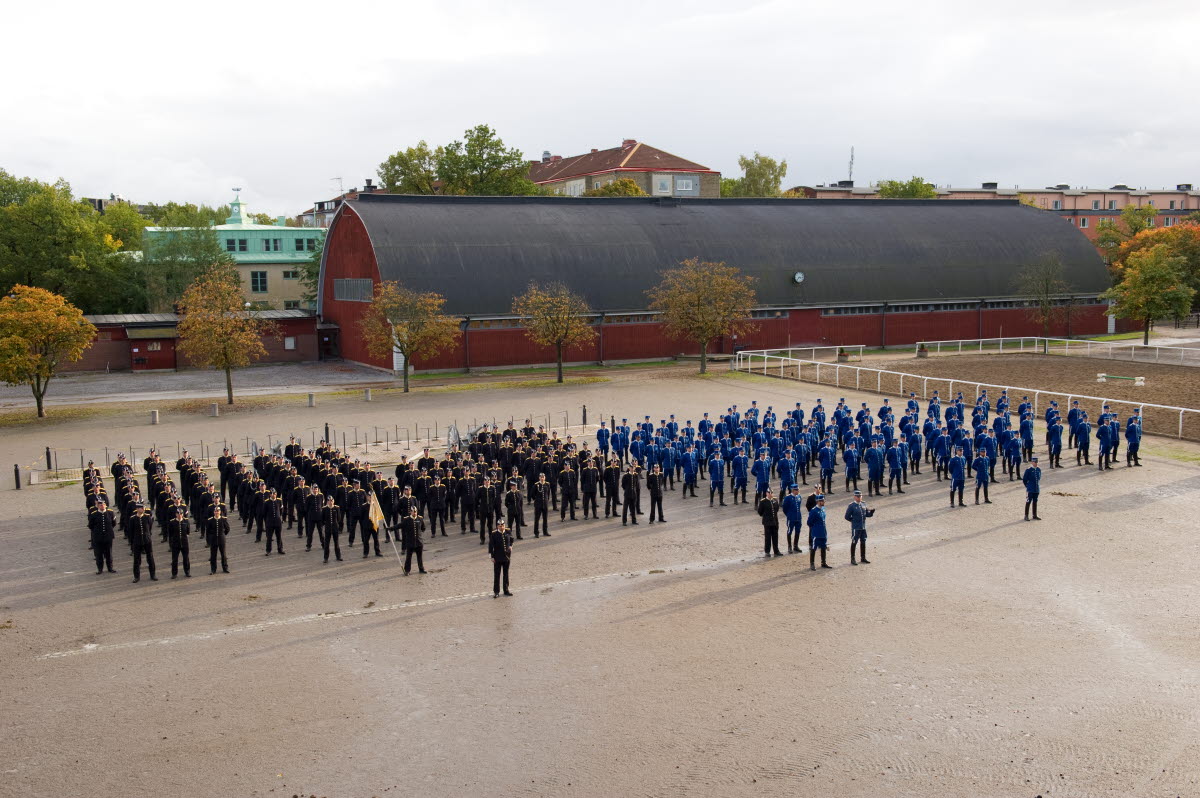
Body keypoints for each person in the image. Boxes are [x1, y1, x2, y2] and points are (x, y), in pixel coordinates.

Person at [127, 503, 157, 583]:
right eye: (141, 508)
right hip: (137, 541)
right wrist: (132, 542)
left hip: (147, 540)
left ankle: (153, 575)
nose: (143, 509)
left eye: (143, 508)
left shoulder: (147, 517)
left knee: (150, 558)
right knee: (137, 560)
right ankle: (136, 576)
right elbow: (131, 531)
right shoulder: (133, 519)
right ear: (137, 509)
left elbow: (149, 527)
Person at [844, 490, 874, 565]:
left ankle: (863, 557)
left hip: (863, 527)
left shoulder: (863, 504)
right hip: (856, 528)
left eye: (860, 496)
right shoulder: (851, 506)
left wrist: (871, 513)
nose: (859, 498)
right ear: (854, 497)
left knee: (863, 542)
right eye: (858, 496)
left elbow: (866, 514)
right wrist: (853, 521)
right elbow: (847, 517)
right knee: (854, 542)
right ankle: (853, 558)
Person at [88, 499, 118, 574]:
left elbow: (113, 523)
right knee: (99, 554)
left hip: (108, 537)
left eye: (103, 504)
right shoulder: (94, 514)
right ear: (98, 505)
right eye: (100, 505)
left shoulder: (110, 513)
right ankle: (100, 569)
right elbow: (91, 525)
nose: (102, 506)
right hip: (98, 537)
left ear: (105, 505)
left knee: (109, 553)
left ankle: (110, 568)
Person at [488, 520, 514, 598]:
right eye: (500, 526)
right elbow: (490, 546)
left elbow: (512, 539)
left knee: (506, 574)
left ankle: (506, 590)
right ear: (497, 526)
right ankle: (496, 591)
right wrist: (491, 557)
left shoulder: (508, 531)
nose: (502, 527)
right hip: (497, 557)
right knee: (497, 575)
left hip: (506, 557)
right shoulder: (494, 534)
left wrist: (511, 546)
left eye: (503, 525)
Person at [806, 495, 831, 571]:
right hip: (816, 533)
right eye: (822, 501)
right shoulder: (813, 511)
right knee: (814, 548)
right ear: (818, 502)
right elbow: (809, 522)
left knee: (823, 547)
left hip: (823, 531)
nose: (823, 502)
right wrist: (815, 528)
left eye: (823, 500)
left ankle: (823, 562)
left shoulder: (823, 509)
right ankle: (812, 563)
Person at [166, 506, 192, 578]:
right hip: (175, 543)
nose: (180, 515)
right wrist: (171, 544)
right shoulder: (172, 522)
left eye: (181, 513)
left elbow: (188, 531)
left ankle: (187, 571)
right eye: (178, 513)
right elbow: (170, 534)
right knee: (174, 559)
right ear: (176, 514)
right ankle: (174, 573)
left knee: (186, 558)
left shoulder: (186, 521)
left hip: (184, 542)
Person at [401, 506, 427, 575]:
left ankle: (421, 569)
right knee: (408, 557)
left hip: (419, 542)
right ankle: (407, 570)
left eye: (415, 511)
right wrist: (390, 528)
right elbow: (400, 525)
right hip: (410, 542)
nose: (415, 513)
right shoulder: (407, 520)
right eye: (413, 511)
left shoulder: (420, 519)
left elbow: (423, 528)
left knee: (420, 557)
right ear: (410, 512)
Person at [757, 488, 783, 557]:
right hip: (767, 522)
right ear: (766, 493)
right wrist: (766, 517)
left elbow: (776, 509)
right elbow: (760, 512)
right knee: (768, 538)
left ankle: (776, 551)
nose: (770, 494)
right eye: (769, 493)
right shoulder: (763, 501)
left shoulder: (775, 500)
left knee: (775, 537)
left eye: (771, 493)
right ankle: (767, 551)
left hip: (775, 521)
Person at [205, 506, 230, 574]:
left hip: (221, 539)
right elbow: (208, 531)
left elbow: (227, 528)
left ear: (220, 512)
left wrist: (223, 534)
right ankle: (213, 569)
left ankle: (225, 568)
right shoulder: (210, 520)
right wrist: (209, 540)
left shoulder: (223, 519)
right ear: (214, 512)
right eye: (215, 511)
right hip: (213, 539)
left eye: (218, 511)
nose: (217, 512)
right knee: (213, 555)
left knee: (223, 554)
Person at [319, 495, 343, 562]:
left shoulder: (337, 508)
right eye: (329, 501)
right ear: (327, 502)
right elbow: (322, 519)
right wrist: (325, 525)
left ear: (333, 501)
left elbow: (339, 518)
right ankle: (326, 558)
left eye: (332, 500)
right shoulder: (324, 509)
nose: (331, 502)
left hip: (335, 528)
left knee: (336, 543)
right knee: (327, 544)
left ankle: (338, 556)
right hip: (328, 528)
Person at [782, 484, 804, 553]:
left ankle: (795, 545)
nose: (798, 491)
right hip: (791, 518)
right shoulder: (788, 498)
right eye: (796, 490)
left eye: (798, 489)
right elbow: (784, 508)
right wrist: (788, 515)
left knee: (798, 531)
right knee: (789, 531)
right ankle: (789, 547)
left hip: (798, 517)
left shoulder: (799, 497)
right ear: (793, 490)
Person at [263, 488, 285, 555]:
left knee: (279, 536)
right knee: (269, 537)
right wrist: (267, 521)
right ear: (270, 494)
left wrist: (279, 517)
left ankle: (280, 549)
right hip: (270, 522)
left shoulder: (279, 501)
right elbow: (264, 513)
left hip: (278, 521)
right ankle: (268, 550)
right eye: (272, 494)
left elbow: (281, 510)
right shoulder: (266, 502)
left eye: (274, 494)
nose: (273, 495)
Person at [531, 473, 552, 538]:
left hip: (545, 504)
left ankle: (545, 531)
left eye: (543, 477)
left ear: (545, 477)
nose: (542, 478)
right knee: (537, 519)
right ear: (539, 478)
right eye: (541, 477)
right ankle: (536, 532)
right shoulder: (536, 485)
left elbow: (548, 494)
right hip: (538, 504)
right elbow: (532, 494)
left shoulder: (547, 484)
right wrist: (536, 500)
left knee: (545, 519)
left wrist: (546, 500)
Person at [1022, 456, 1042, 521]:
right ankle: (1026, 515)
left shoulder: (1038, 469)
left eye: (1036, 462)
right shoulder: (1028, 470)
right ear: (1032, 462)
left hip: (1036, 488)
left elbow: (1039, 478)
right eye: (1034, 462)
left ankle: (1034, 515)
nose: (1035, 463)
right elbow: (1024, 479)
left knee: (1035, 502)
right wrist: (1027, 486)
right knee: (1028, 502)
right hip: (1030, 489)